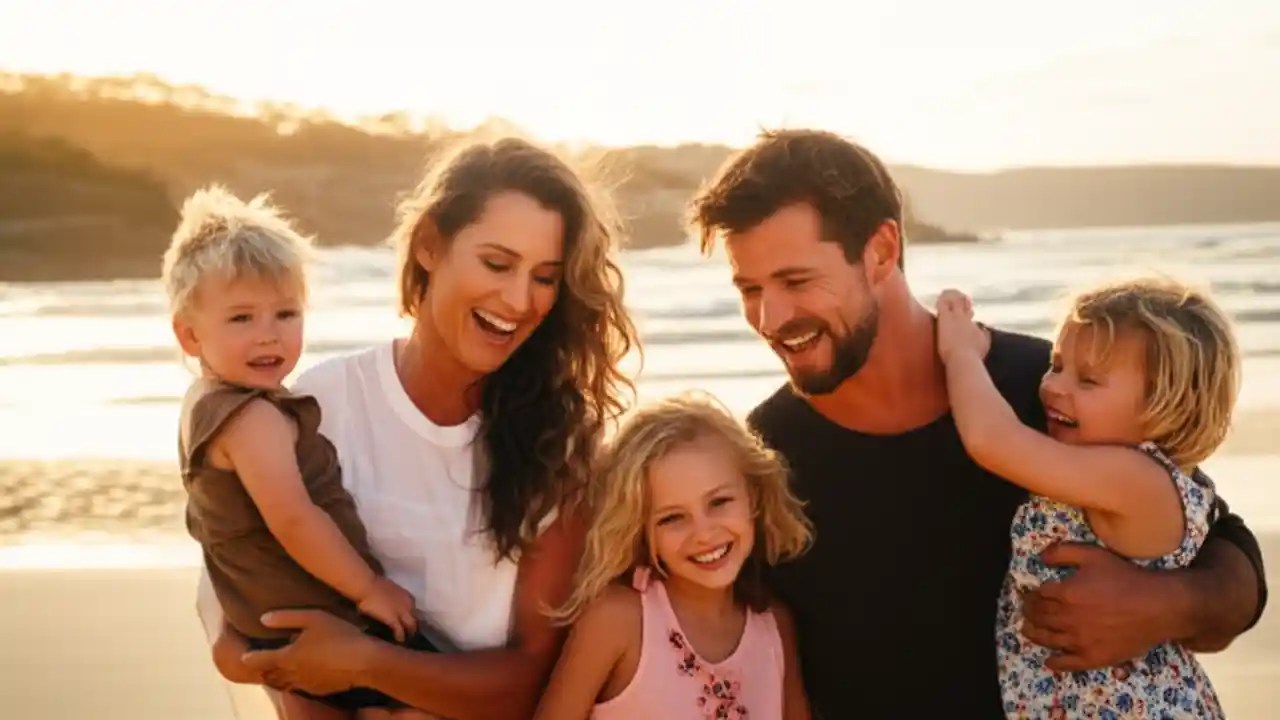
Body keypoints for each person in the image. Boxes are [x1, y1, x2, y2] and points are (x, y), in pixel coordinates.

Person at [687, 129, 1267, 718]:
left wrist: (1169, 605)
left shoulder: (1051, 394)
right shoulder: (761, 456)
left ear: (882, 251)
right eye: (749, 288)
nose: (770, 318)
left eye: (796, 281)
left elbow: (1222, 545)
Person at [197, 135, 639, 719]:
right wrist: (295, 675)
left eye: (545, 277)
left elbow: (533, 682)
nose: (518, 299)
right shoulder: (319, 407)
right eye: (497, 264)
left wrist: (364, 663)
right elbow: (234, 613)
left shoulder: (560, 444)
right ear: (430, 245)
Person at [164, 186, 428, 719]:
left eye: (285, 314)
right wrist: (369, 589)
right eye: (242, 319)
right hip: (322, 612)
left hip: (268, 618)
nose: (268, 336)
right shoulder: (252, 417)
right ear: (189, 336)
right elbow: (293, 517)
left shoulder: (203, 404)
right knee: (414, 701)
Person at [937, 281, 1237, 718]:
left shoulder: (1137, 478)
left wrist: (959, 352)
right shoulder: (1108, 468)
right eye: (1056, 365)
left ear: (1164, 403)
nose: (1053, 386)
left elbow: (991, 440)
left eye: (1089, 380)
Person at [534, 392, 812, 720]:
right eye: (672, 518)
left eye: (719, 502)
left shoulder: (774, 627)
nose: (703, 534)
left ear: (753, 495)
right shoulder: (618, 621)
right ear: (641, 529)